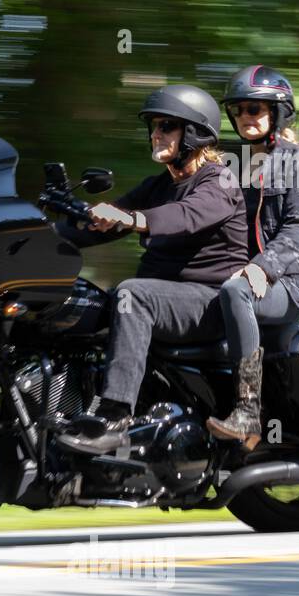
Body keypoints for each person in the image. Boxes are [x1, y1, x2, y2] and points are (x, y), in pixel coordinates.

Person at [56, 85, 248, 454]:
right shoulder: (159, 185)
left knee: (132, 294)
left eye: (166, 126)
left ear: (193, 133)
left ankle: (114, 418)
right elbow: (107, 222)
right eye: (154, 127)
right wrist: (36, 237)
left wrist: (131, 218)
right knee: (84, 304)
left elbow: (185, 216)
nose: (155, 134)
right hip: (168, 300)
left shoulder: (220, 179)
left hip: (209, 302)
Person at [206, 65, 299, 449]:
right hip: (249, 276)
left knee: (235, 293)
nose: (246, 116)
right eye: (240, 109)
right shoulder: (233, 166)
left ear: (277, 114)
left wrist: (262, 270)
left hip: (296, 279)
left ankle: (247, 411)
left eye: (256, 109)